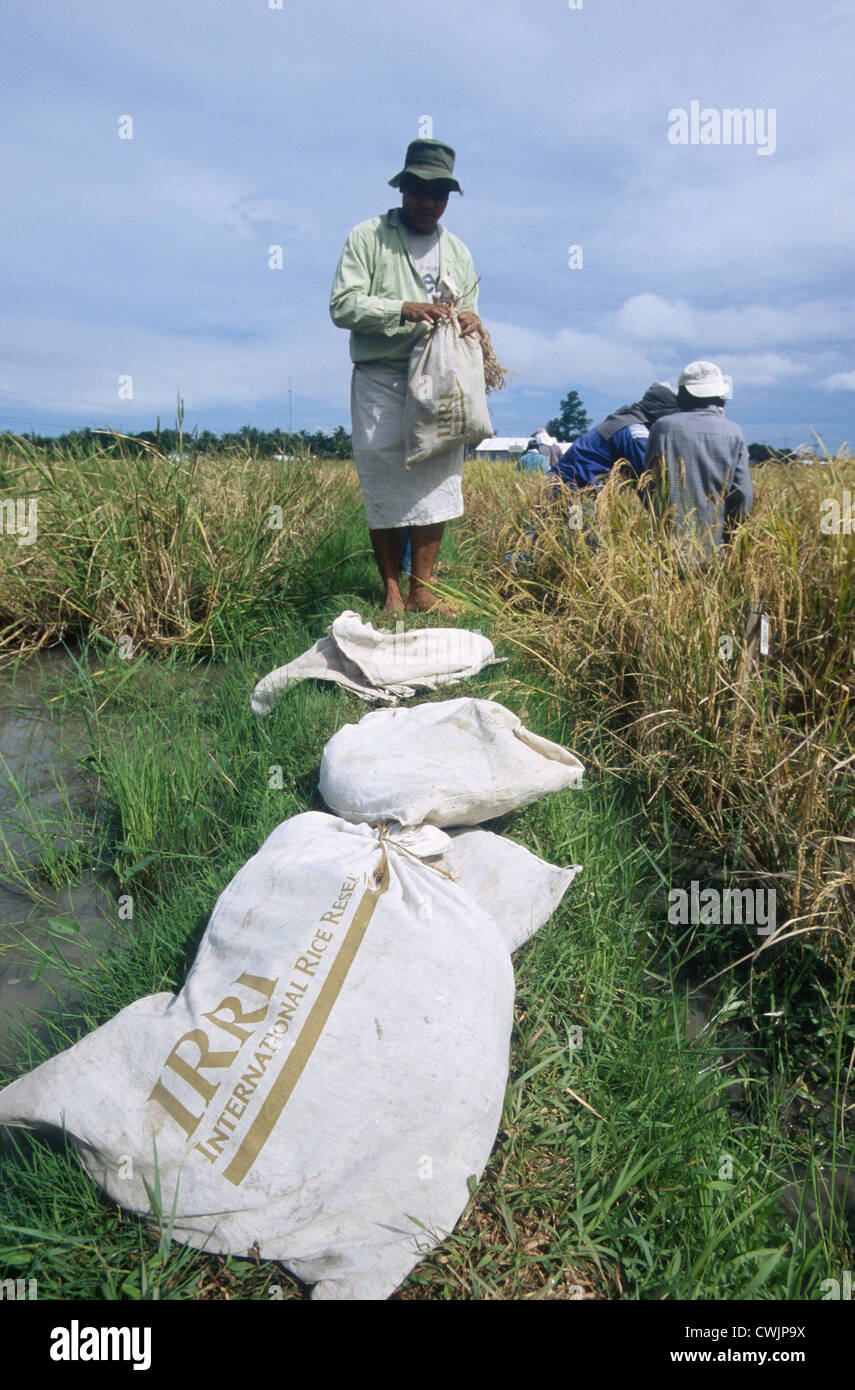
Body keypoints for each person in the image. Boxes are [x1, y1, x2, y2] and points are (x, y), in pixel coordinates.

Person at [329, 138, 483, 617]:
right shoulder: (368, 237)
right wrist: (401, 309)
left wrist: (474, 322)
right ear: (403, 188)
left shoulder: (458, 251)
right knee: (384, 477)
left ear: (448, 198)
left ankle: (423, 589)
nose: (428, 201)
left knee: (436, 479)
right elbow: (343, 305)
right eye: (419, 189)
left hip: (439, 378)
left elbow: (471, 311)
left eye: (439, 193)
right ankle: (391, 590)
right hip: (381, 375)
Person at [643, 361, 752, 563]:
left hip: (665, 549)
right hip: (713, 546)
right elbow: (742, 494)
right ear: (720, 396)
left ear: (682, 396)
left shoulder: (662, 428)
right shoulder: (734, 433)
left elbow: (649, 485)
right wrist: (731, 537)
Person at [548, 382, 679, 491]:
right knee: (576, 523)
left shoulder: (625, 419)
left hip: (565, 487)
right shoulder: (634, 432)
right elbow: (647, 480)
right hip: (571, 493)